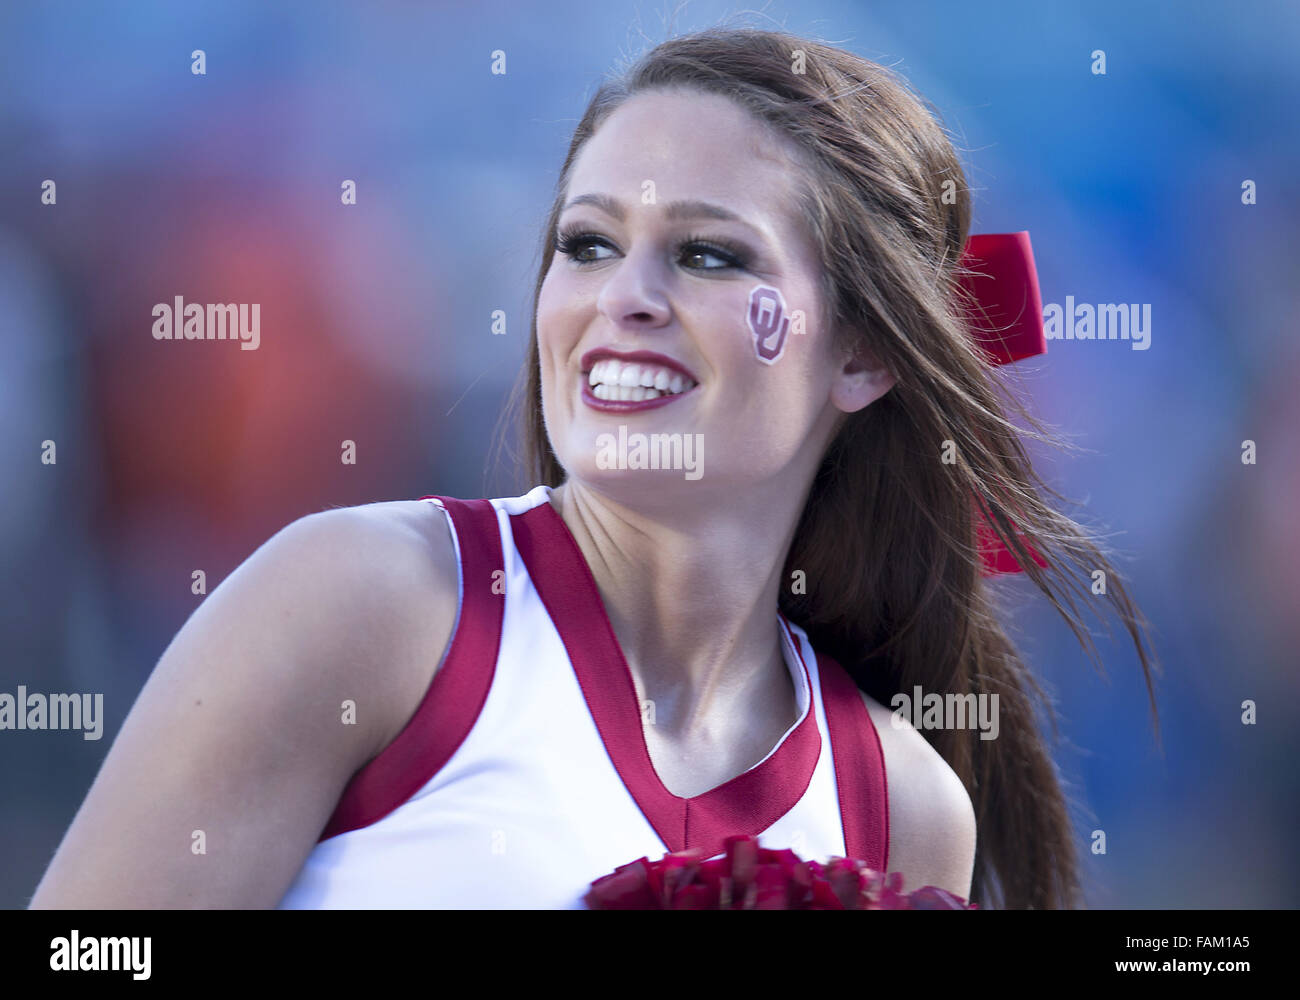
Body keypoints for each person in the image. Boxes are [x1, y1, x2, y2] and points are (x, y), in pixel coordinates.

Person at [29, 25, 1157, 911]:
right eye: (588, 243)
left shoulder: (903, 806)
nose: (622, 298)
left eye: (708, 254)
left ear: (860, 352)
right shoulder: (369, 602)